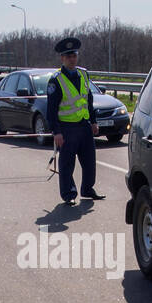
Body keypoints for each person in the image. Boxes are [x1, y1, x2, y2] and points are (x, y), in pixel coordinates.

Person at [46, 37, 105, 206]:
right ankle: (69, 194)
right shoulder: (56, 80)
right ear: (62, 58)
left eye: (74, 55)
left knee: (89, 162)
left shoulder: (83, 74)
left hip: (84, 126)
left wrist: (93, 122)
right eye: (69, 56)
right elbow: (51, 110)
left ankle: (87, 189)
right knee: (67, 164)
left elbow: (89, 100)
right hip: (67, 128)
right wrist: (56, 132)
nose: (72, 59)